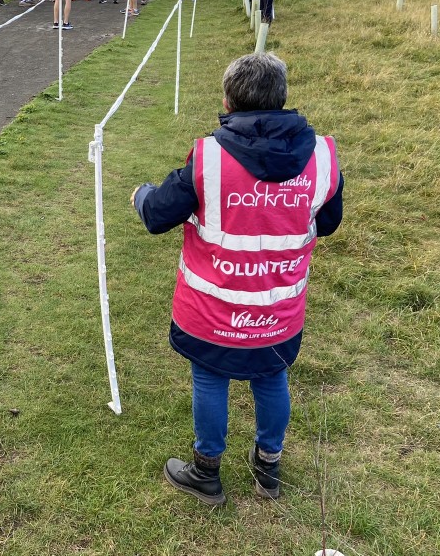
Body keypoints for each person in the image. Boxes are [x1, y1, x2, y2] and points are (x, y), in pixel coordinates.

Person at [131, 51, 343, 506]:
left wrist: (140, 194)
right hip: (278, 314)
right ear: (283, 98)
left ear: (228, 102)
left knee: (209, 379)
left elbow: (157, 215)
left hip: (212, 312)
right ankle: (268, 467)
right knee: (271, 378)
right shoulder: (322, 158)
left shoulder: (208, 158)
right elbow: (327, 222)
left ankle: (206, 472)